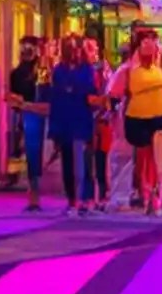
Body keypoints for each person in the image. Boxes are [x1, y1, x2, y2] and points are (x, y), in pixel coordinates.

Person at [108, 29, 162, 215]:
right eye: (146, 42)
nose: (151, 45)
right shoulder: (127, 70)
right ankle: (145, 195)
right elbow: (112, 94)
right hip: (137, 119)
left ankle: (157, 198)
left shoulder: (159, 68)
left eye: (153, 41)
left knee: (157, 161)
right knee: (141, 160)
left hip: (158, 117)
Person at [48, 36, 98, 216]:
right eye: (69, 48)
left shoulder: (87, 70)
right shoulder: (58, 71)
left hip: (80, 121)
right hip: (63, 122)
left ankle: (83, 199)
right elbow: (55, 98)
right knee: (67, 164)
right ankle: (71, 200)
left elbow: (89, 92)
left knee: (81, 163)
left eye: (76, 48)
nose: (73, 52)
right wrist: (53, 130)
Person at [7, 37, 46, 212]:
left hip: (44, 113)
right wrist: (17, 102)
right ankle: (33, 194)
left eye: (31, 48)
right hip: (27, 115)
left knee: (38, 154)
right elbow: (12, 98)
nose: (27, 52)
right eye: (24, 48)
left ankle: (36, 191)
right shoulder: (16, 73)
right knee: (31, 154)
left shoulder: (45, 71)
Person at [83, 38, 113, 211]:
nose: (90, 52)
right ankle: (87, 196)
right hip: (86, 120)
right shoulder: (82, 71)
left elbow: (108, 95)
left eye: (92, 49)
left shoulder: (104, 70)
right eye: (87, 49)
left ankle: (102, 194)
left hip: (102, 122)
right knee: (87, 161)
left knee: (101, 160)